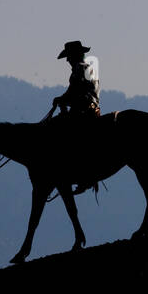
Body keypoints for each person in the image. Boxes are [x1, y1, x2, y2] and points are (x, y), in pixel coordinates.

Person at [52, 40, 101, 194]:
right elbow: (73, 91)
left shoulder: (81, 69)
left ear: (74, 56)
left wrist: (62, 99)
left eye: (68, 57)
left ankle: (82, 175)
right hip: (85, 107)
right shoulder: (82, 69)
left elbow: (76, 91)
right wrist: (62, 98)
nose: (67, 60)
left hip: (85, 109)